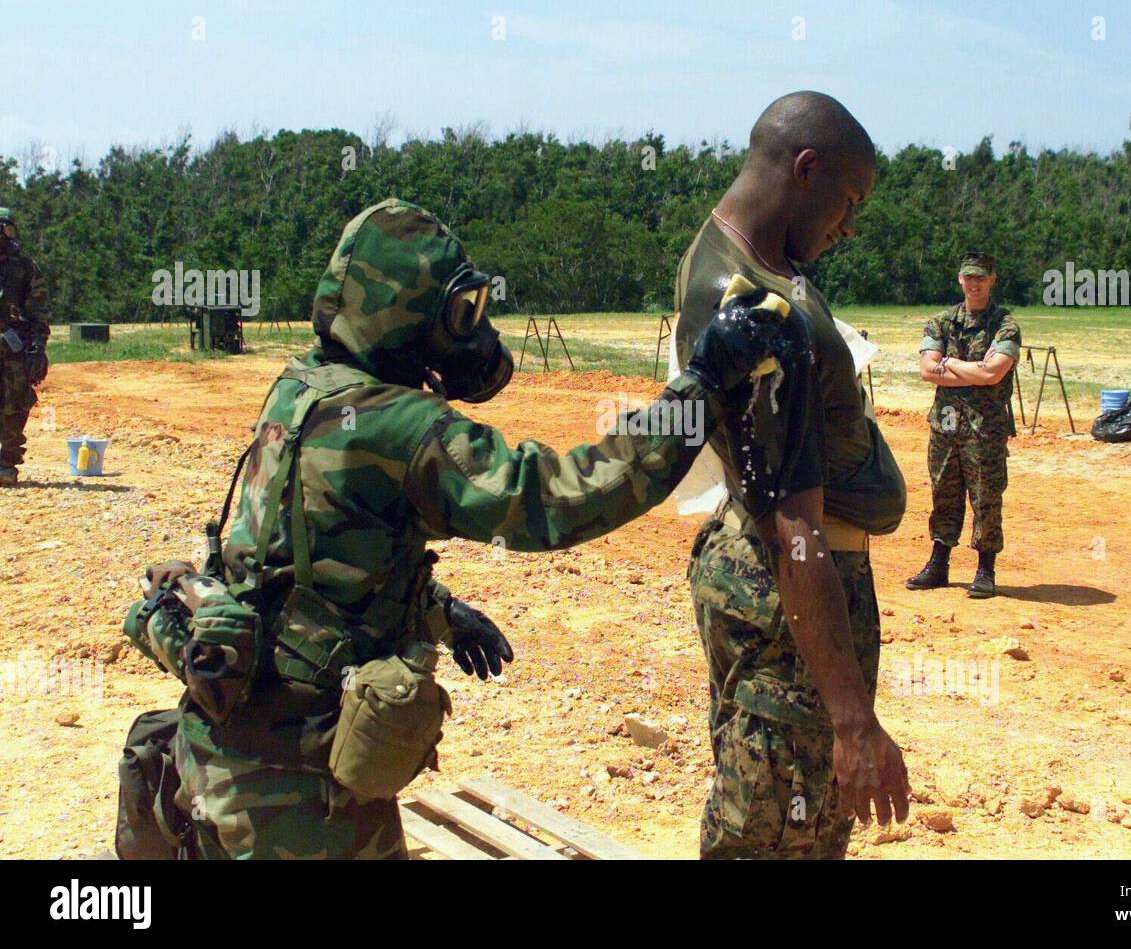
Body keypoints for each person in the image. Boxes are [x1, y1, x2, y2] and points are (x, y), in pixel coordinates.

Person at [150, 197, 798, 859]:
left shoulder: (302, 388)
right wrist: (702, 385)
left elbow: (308, 564)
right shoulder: (398, 426)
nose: (469, 334)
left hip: (219, 752)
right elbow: (554, 499)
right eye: (457, 314)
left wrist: (436, 609)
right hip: (296, 798)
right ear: (402, 313)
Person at [675, 92, 910, 860]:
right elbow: (791, 520)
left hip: (797, 594)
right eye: (848, 201)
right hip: (788, 595)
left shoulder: (770, 265)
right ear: (806, 169)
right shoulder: (740, 298)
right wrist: (852, 721)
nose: (850, 225)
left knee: (797, 824)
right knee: (774, 831)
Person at [907, 251, 1020, 599]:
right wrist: (971, 370)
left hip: (985, 428)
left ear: (991, 280)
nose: (974, 283)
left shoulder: (1004, 324)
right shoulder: (940, 322)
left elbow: (993, 373)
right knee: (944, 493)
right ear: (960, 279)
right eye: (968, 277)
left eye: (980, 277)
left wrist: (950, 364)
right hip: (945, 425)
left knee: (986, 496)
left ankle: (986, 569)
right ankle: (939, 564)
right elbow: (928, 371)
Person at [0, 208, 50, 485]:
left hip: (14, 347)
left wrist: (37, 347)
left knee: (16, 402)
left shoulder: (24, 266)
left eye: (6, 229)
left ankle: (6, 463)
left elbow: (39, 311)